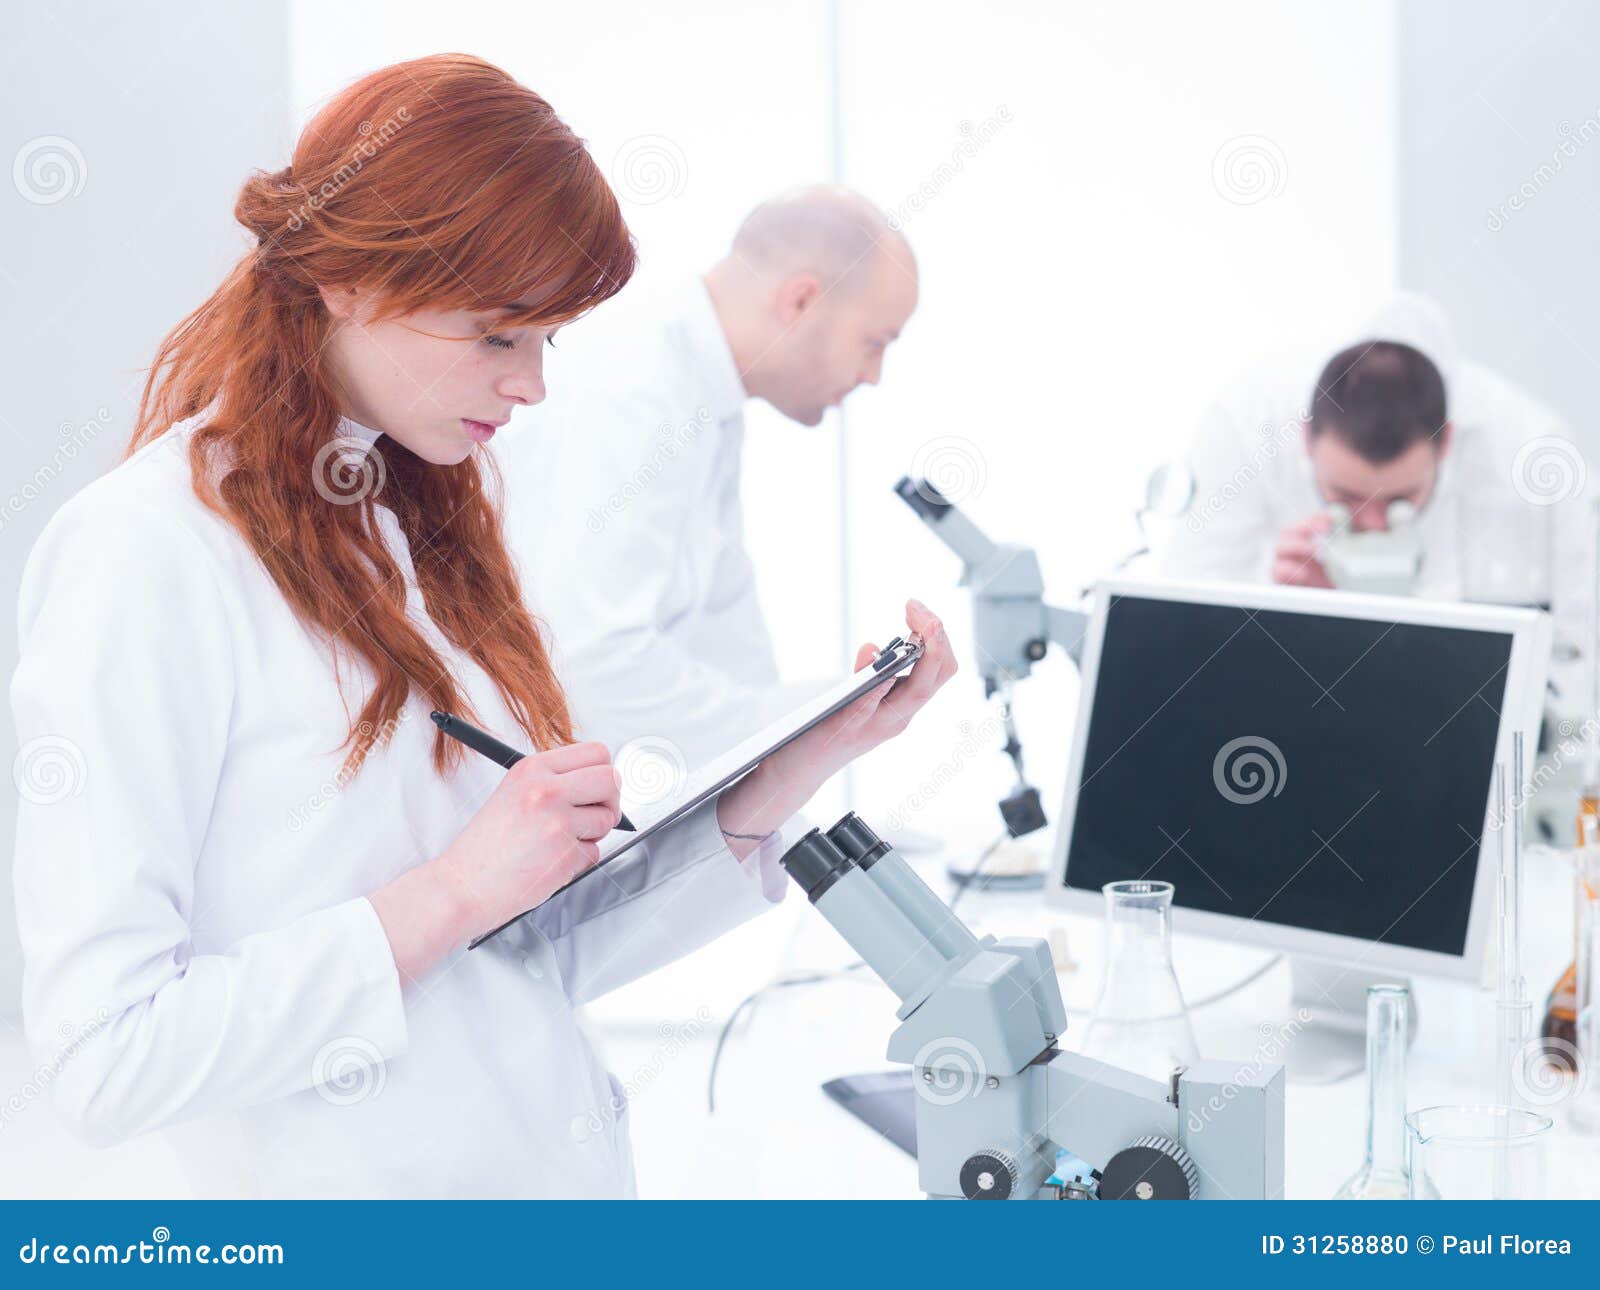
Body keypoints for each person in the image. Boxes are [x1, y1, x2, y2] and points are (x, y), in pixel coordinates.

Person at [9, 55, 956, 1200]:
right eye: (499, 335)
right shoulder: (144, 552)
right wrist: (451, 891)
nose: (534, 386)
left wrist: (800, 758)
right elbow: (106, 1058)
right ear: (348, 282)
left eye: (549, 339)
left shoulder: (417, 535)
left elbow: (515, 964)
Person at [497, 187, 919, 768]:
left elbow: (729, 644)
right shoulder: (639, 379)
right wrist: (814, 726)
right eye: (875, 343)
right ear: (801, 301)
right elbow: (596, 664)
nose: (874, 376)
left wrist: (822, 726)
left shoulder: (710, 395)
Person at [1164, 295, 1591, 630]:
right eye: (1346, 496)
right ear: (1306, 437)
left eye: (1399, 499)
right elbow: (1187, 622)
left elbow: (1579, 643)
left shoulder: (1535, 453)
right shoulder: (1243, 428)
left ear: (1446, 443)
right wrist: (1277, 603)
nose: (1372, 523)